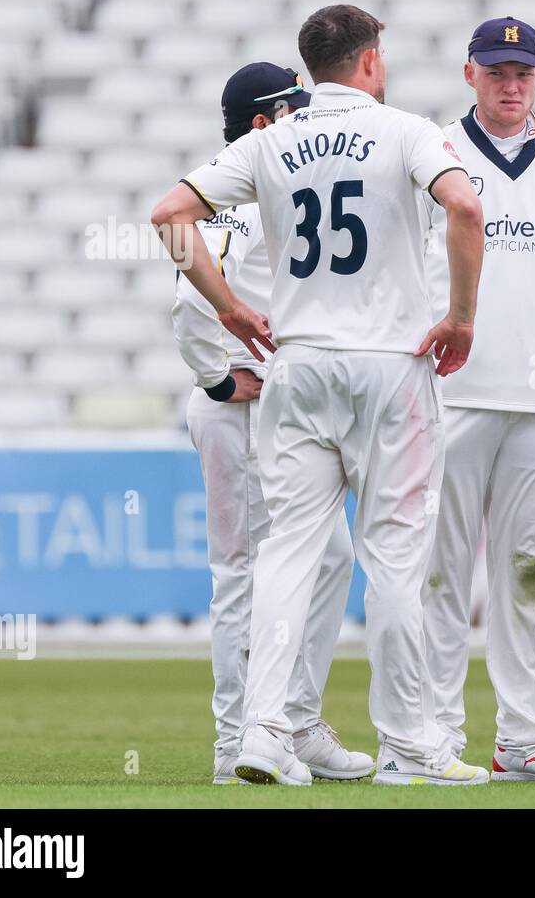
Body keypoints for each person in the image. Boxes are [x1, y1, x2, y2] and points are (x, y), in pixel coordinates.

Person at [151, 4, 489, 787]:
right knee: (397, 561)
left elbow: (170, 214)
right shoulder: (406, 130)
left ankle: (263, 733)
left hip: (298, 369)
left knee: (287, 557)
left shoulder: (271, 142)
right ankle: (410, 746)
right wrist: (461, 319)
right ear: (370, 61)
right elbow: (466, 207)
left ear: (314, 64)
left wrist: (231, 308)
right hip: (388, 366)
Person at [172, 62, 371, 785]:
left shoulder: (245, 191)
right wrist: (218, 374)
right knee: (246, 576)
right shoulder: (243, 200)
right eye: (293, 110)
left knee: (328, 559)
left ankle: (293, 719)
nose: (306, 125)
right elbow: (190, 296)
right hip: (240, 406)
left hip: (270, 406)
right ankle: (239, 743)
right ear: (262, 123)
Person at [421, 17, 535, 781]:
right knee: (440, 571)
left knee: (524, 574)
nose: (510, 82)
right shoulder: (434, 151)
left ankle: (520, 739)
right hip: (452, 394)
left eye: (523, 70)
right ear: (470, 73)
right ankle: (429, 733)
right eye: (496, 70)